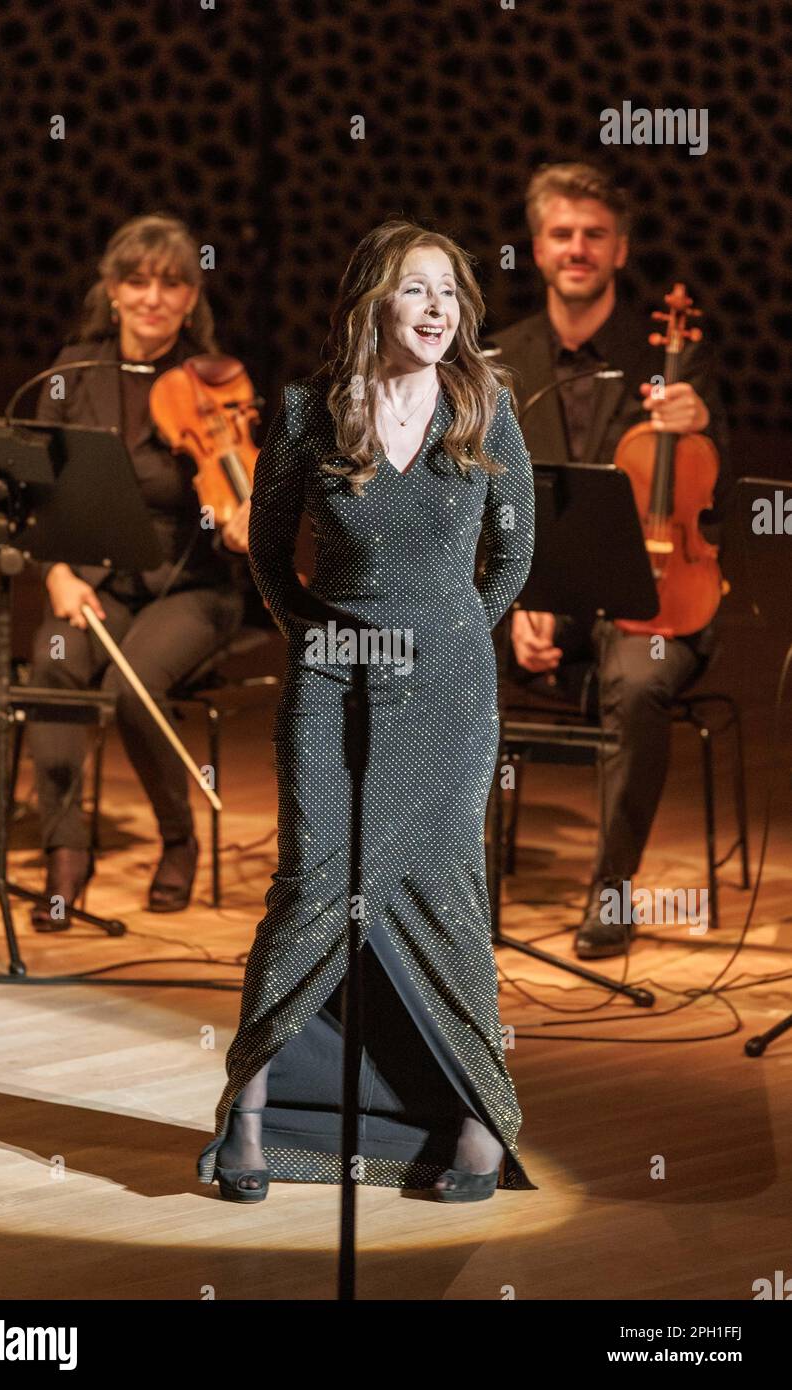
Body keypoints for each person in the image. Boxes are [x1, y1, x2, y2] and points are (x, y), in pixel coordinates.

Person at [197, 219, 536, 1204]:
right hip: (331, 682)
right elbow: (265, 550)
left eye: (448, 293)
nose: (436, 310)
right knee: (308, 884)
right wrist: (318, 632)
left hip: (449, 694)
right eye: (413, 291)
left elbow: (512, 555)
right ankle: (248, 1117)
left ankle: (479, 1121)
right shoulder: (307, 410)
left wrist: (449, 640)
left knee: (445, 889)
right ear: (371, 305)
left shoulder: (485, 405)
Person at [486, 163, 733, 960]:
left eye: (595, 234)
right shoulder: (504, 359)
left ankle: (613, 892)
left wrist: (701, 424)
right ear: (538, 248)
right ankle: (442, 884)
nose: (578, 248)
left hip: (655, 600)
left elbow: (710, 486)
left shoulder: (672, 352)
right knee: (428, 655)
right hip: (544, 597)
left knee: (638, 680)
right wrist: (520, 598)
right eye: (563, 234)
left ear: (621, 250)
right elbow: (482, 500)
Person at [27, 213, 250, 926]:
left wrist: (247, 518)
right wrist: (57, 571)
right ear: (113, 290)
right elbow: (37, 490)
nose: (153, 297)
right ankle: (65, 852)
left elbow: (242, 486)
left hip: (192, 587)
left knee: (133, 685)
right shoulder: (72, 373)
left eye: (172, 283)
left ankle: (178, 840)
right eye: (138, 281)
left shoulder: (214, 380)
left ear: (191, 298)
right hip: (99, 578)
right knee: (52, 658)